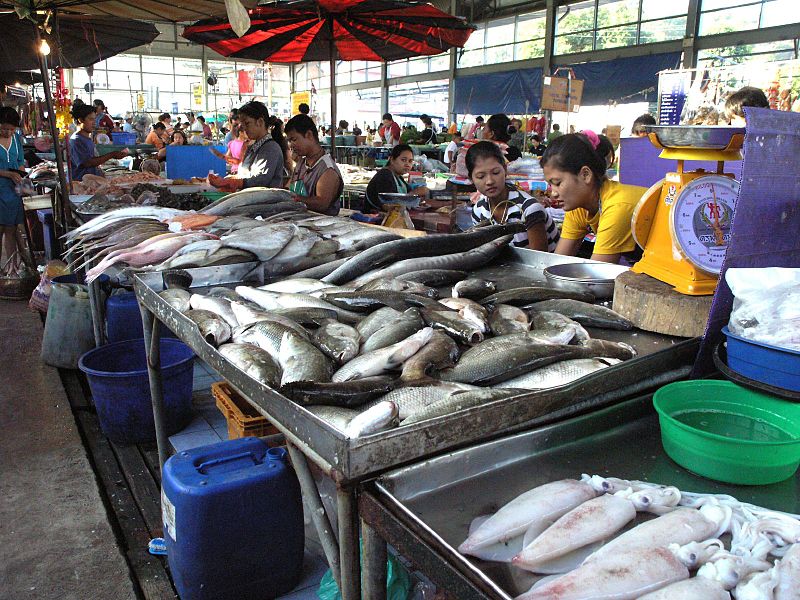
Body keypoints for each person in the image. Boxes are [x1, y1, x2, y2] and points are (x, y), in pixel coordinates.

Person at [542, 133, 646, 264]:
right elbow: (558, 262)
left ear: (585, 175)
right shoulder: (578, 207)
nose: (553, 193)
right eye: (550, 185)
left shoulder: (618, 207)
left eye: (557, 183)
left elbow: (597, 272)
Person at [468, 141, 558, 252]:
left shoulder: (529, 209)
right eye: (481, 176)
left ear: (505, 170)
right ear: (471, 179)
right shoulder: (478, 210)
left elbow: (539, 258)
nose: (489, 181)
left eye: (496, 173)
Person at [208, 101, 288, 191]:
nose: (244, 128)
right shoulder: (253, 147)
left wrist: (233, 182)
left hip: (265, 199)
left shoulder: (271, 148)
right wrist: (229, 179)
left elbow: (260, 180)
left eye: (247, 123)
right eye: (243, 125)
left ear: (260, 122)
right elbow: (246, 174)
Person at [285, 114, 343, 215]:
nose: (291, 145)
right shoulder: (302, 163)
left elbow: (322, 203)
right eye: (289, 141)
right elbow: (289, 187)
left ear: (309, 135)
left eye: (294, 140)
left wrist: (294, 199)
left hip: (322, 223)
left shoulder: (327, 169)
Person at [0, 107, 30, 276]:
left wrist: (24, 184)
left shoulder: (16, 139)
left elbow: (20, 162)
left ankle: (12, 269)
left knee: (11, 229)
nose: (8, 132)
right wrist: (8, 174)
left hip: (13, 192)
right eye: (4, 128)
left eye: (11, 129)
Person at [68, 103, 127, 181]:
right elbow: (88, 163)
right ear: (81, 120)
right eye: (91, 119)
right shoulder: (76, 140)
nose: (94, 122)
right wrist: (112, 154)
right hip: (81, 183)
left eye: (95, 119)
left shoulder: (87, 138)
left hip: (92, 181)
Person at [365, 144, 429, 212]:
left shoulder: (398, 177)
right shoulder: (385, 176)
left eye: (410, 161)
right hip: (375, 217)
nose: (407, 164)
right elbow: (389, 206)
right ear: (392, 160)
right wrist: (413, 193)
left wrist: (418, 193)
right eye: (403, 160)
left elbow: (409, 192)